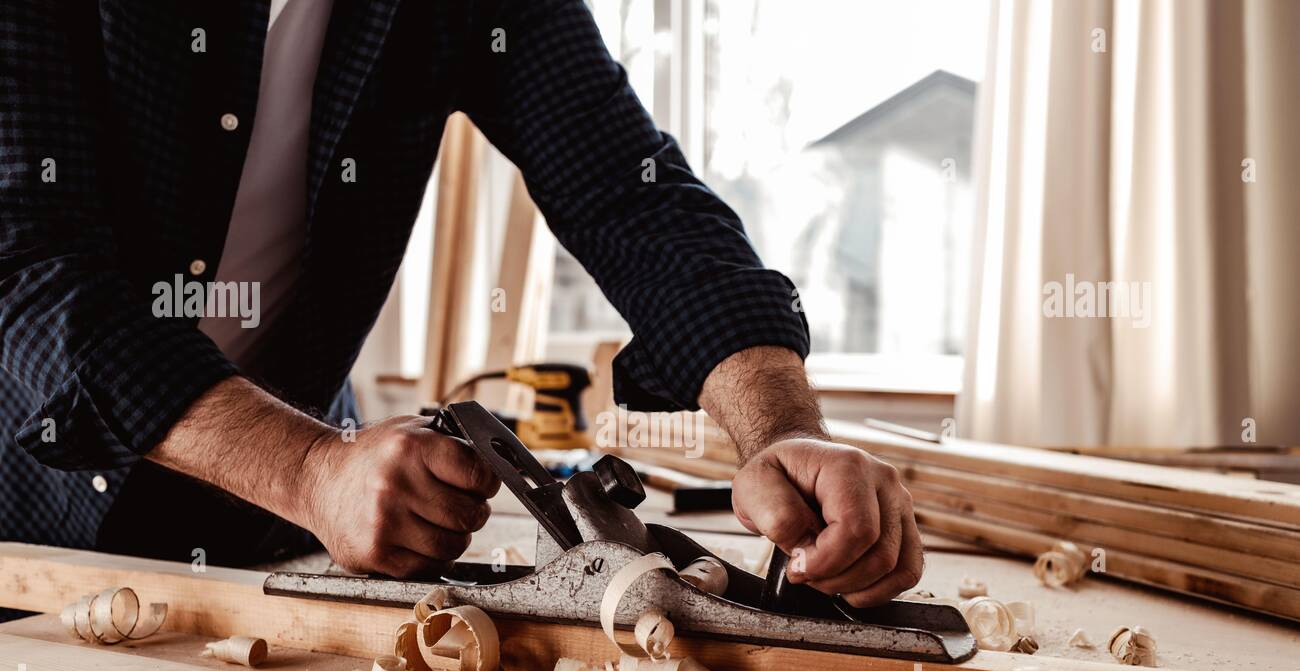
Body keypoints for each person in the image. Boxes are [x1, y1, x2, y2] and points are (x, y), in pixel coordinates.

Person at [0, 0, 922, 612]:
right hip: (28, 537)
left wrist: (779, 431)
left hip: (274, 546)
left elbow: (632, 195)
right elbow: (27, 265)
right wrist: (313, 468)